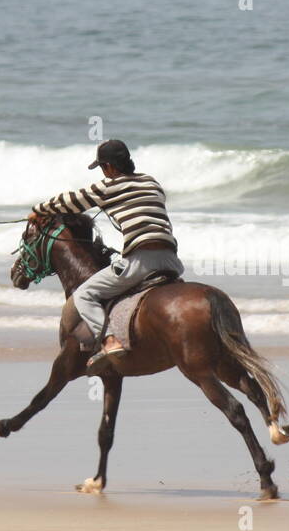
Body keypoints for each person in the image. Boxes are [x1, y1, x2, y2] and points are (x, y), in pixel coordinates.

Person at [29, 139, 183, 369]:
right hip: (171, 261)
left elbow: (69, 202)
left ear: (109, 167)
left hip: (141, 260)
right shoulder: (152, 182)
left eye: (102, 168)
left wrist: (37, 211)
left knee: (84, 294)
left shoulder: (107, 187)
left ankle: (110, 340)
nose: (103, 172)